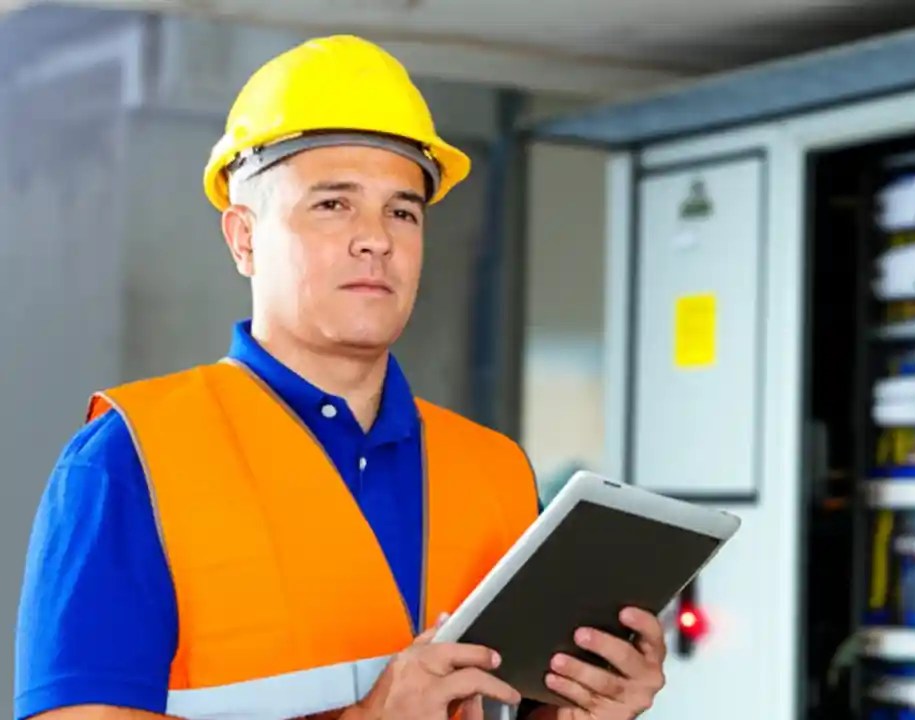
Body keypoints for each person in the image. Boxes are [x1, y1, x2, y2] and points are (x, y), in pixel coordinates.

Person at [14, 35, 668, 720]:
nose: (376, 237)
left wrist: (586, 710)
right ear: (243, 239)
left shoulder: (495, 474)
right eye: (333, 204)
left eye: (402, 211)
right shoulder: (131, 458)